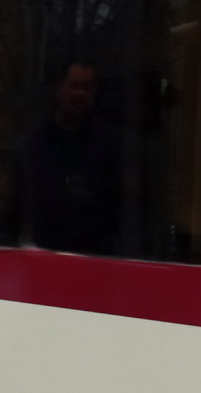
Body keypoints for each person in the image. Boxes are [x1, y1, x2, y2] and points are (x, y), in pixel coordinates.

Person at [9, 58, 122, 254]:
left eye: (87, 87)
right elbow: (11, 210)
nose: (81, 94)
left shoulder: (110, 145)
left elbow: (121, 211)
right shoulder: (33, 144)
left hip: (94, 259)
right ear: (59, 88)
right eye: (74, 86)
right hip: (40, 257)